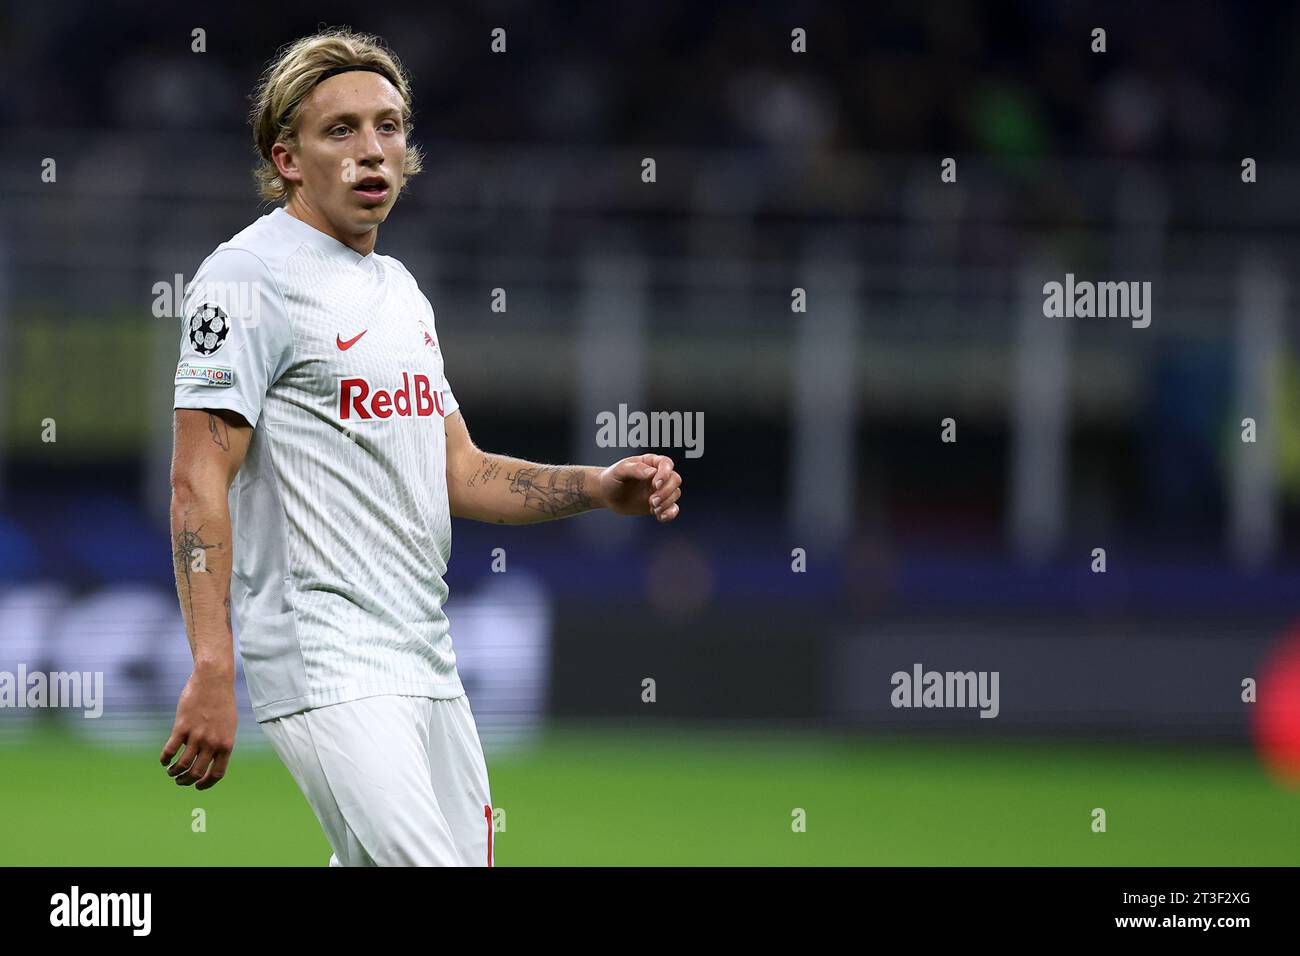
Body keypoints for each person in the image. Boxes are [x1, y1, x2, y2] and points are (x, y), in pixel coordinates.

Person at [161, 26, 683, 867]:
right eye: (342, 130)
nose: (374, 150)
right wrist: (214, 663)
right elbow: (197, 480)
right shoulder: (246, 278)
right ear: (286, 156)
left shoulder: (397, 290)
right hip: (324, 653)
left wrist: (596, 485)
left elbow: (461, 472)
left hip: (422, 649)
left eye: (390, 125)